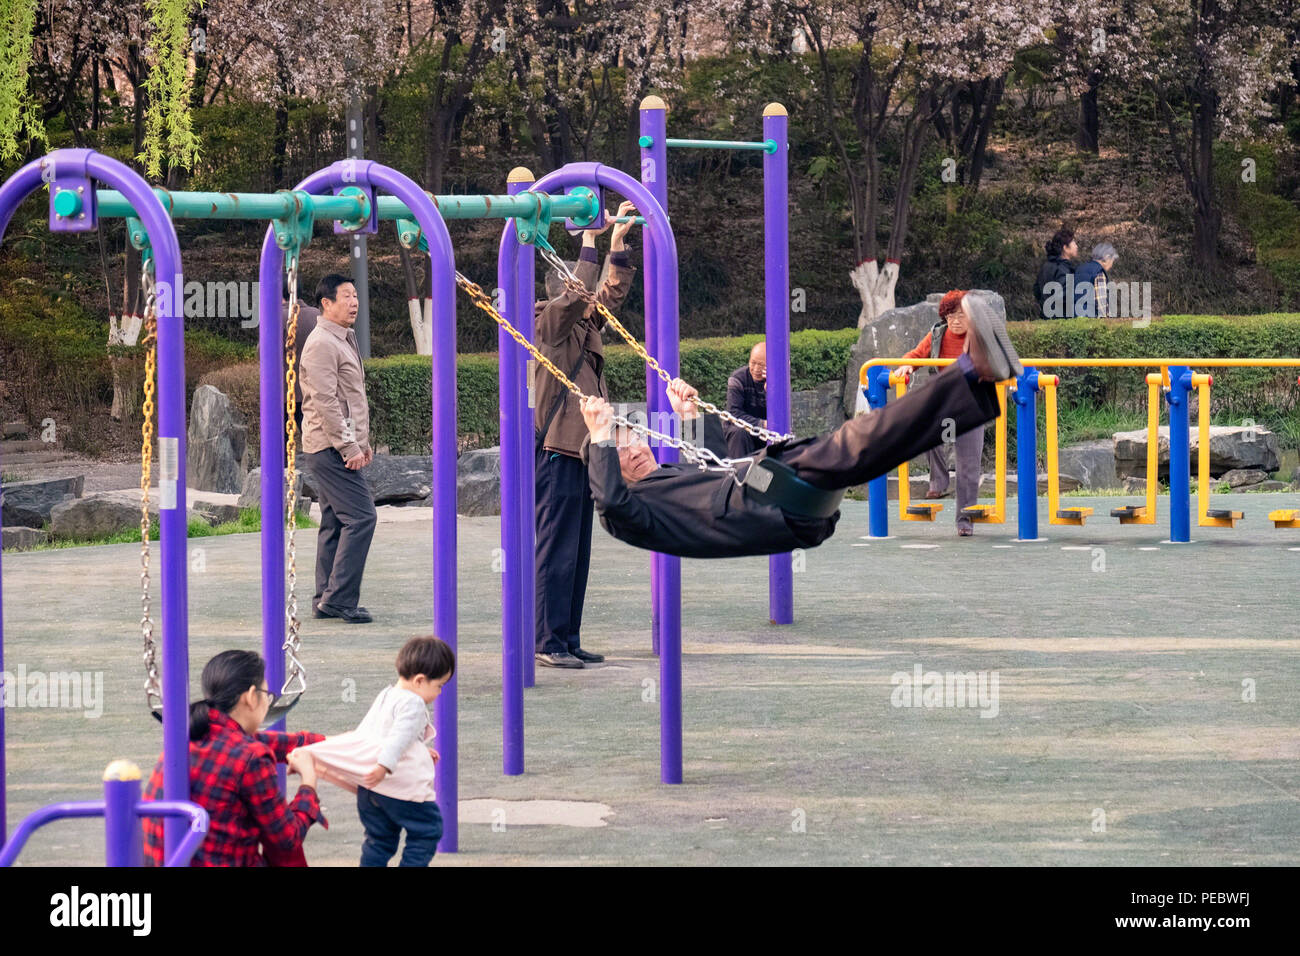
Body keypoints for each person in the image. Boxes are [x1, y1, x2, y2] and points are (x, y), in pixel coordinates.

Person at [578, 292, 1021, 559]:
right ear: (609, 470)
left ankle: (976, 382)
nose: (636, 450)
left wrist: (690, 418)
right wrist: (599, 437)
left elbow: (708, 465)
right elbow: (611, 504)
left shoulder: (665, 480)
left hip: (775, 494)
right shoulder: (629, 513)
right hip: (764, 504)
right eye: (622, 454)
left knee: (866, 451)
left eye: (633, 440)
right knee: (855, 443)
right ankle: (971, 373)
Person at [534, 201, 639, 669]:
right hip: (557, 448)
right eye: (579, 294)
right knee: (556, 547)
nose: (588, 300)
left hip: (582, 448)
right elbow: (579, 294)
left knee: (578, 547)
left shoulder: (584, 328)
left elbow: (610, 295)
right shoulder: (550, 325)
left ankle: (568, 635)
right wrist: (590, 241)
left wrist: (616, 245)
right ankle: (547, 639)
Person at [142, 650, 326, 867]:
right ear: (250, 696)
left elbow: (258, 742)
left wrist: (326, 743)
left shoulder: (189, 732)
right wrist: (308, 783)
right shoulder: (250, 758)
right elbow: (287, 837)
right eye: (267, 695)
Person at [297, 636, 455, 867]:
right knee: (427, 831)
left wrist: (420, 751)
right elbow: (398, 738)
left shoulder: (387, 694)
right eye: (439, 685)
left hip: (370, 791)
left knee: (380, 841)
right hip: (399, 787)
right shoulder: (413, 703)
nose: (440, 693)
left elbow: (375, 736)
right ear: (420, 680)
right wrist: (384, 766)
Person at [300, 274, 376, 624]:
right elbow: (327, 403)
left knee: (334, 521)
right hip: (328, 447)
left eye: (355, 295)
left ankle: (324, 598)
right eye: (346, 296)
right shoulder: (321, 343)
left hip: (336, 445)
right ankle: (339, 599)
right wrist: (349, 448)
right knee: (362, 517)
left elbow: (352, 399)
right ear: (326, 304)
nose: (354, 302)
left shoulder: (343, 339)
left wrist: (362, 442)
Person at [896, 290, 985, 536]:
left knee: (968, 466)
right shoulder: (938, 334)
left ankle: (965, 520)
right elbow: (916, 354)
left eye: (960, 316)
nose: (955, 321)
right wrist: (907, 364)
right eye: (950, 316)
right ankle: (939, 481)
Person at [284, 278, 320, 439]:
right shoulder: (317, 315)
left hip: (284, 391)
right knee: (315, 439)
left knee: (281, 446)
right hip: (313, 389)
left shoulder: (274, 316)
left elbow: (262, 353)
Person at [724, 341, 768, 459]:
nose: (756, 369)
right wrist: (762, 424)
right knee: (739, 433)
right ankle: (739, 473)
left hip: (765, 433)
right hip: (739, 431)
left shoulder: (775, 381)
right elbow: (734, 413)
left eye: (762, 365)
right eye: (753, 363)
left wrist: (771, 392)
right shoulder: (738, 378)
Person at [1033, 226, 1078, 319]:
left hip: (1046, 317)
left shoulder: (1045, 266)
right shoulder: (1063, 269)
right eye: (1074, 243)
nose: (1076, 246)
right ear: (1065, 248)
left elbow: (1037, 290)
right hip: (1062, 320)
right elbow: (1066, 296)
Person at [1073, 242, 1118, 318]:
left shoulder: (1080, 268)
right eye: (1112, 261)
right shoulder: (1099, 272)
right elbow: (1101, 301)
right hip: (1089, 318)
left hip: (1074, 315)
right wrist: (1107, 320)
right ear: (1107, 257)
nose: (1111, 265)